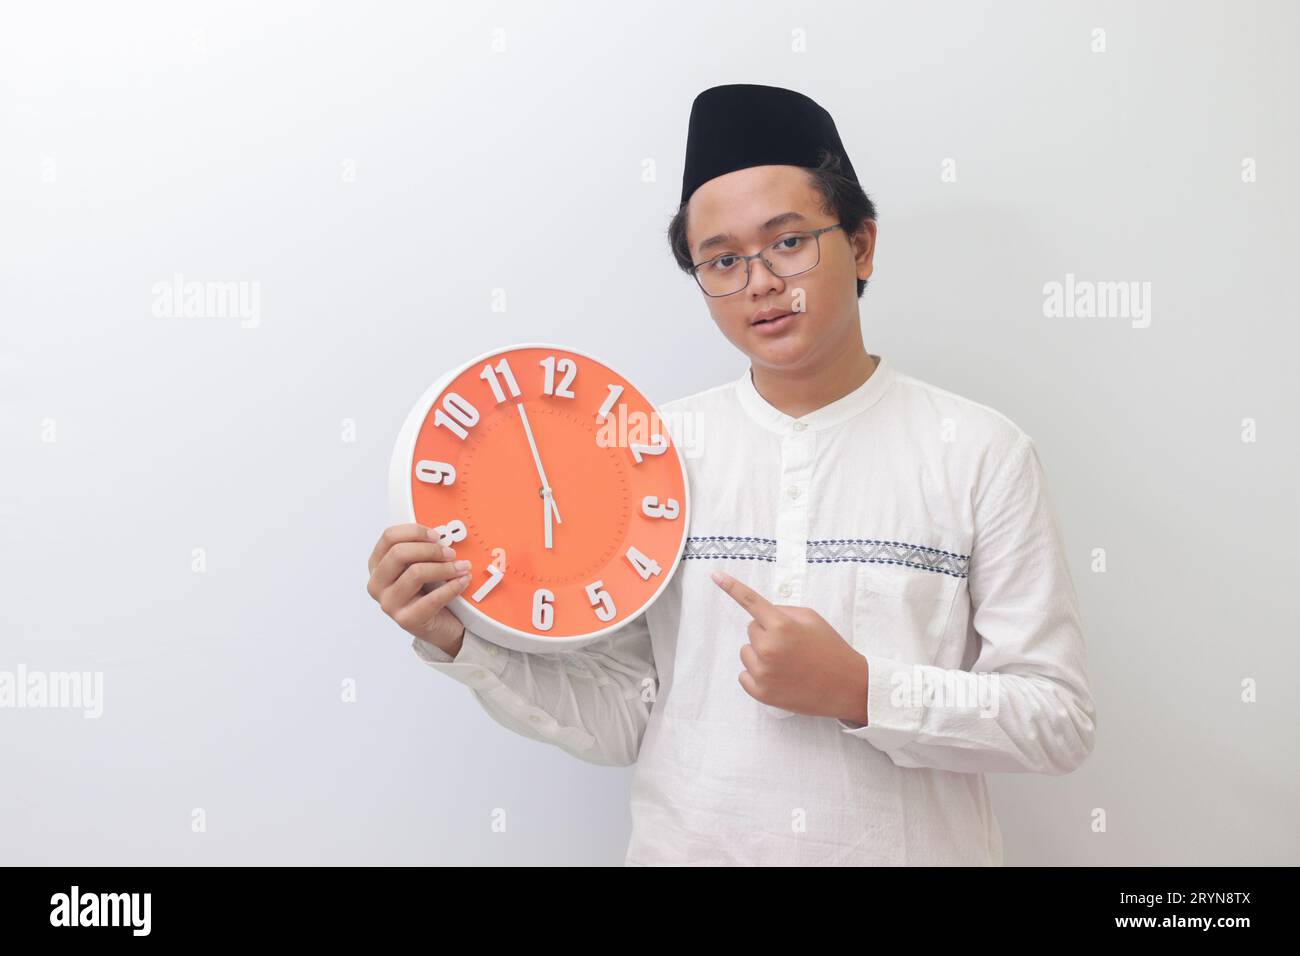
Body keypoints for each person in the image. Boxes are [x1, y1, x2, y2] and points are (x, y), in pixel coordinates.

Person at [365, 83, 1096, 865]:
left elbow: (1056, 721)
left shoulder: (979, 451)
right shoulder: (647, 454)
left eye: (787, 242)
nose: (759, 282)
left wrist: (860, 689)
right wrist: (455, 637)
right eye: (721, 260)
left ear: (863, 246)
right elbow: (630, 716)